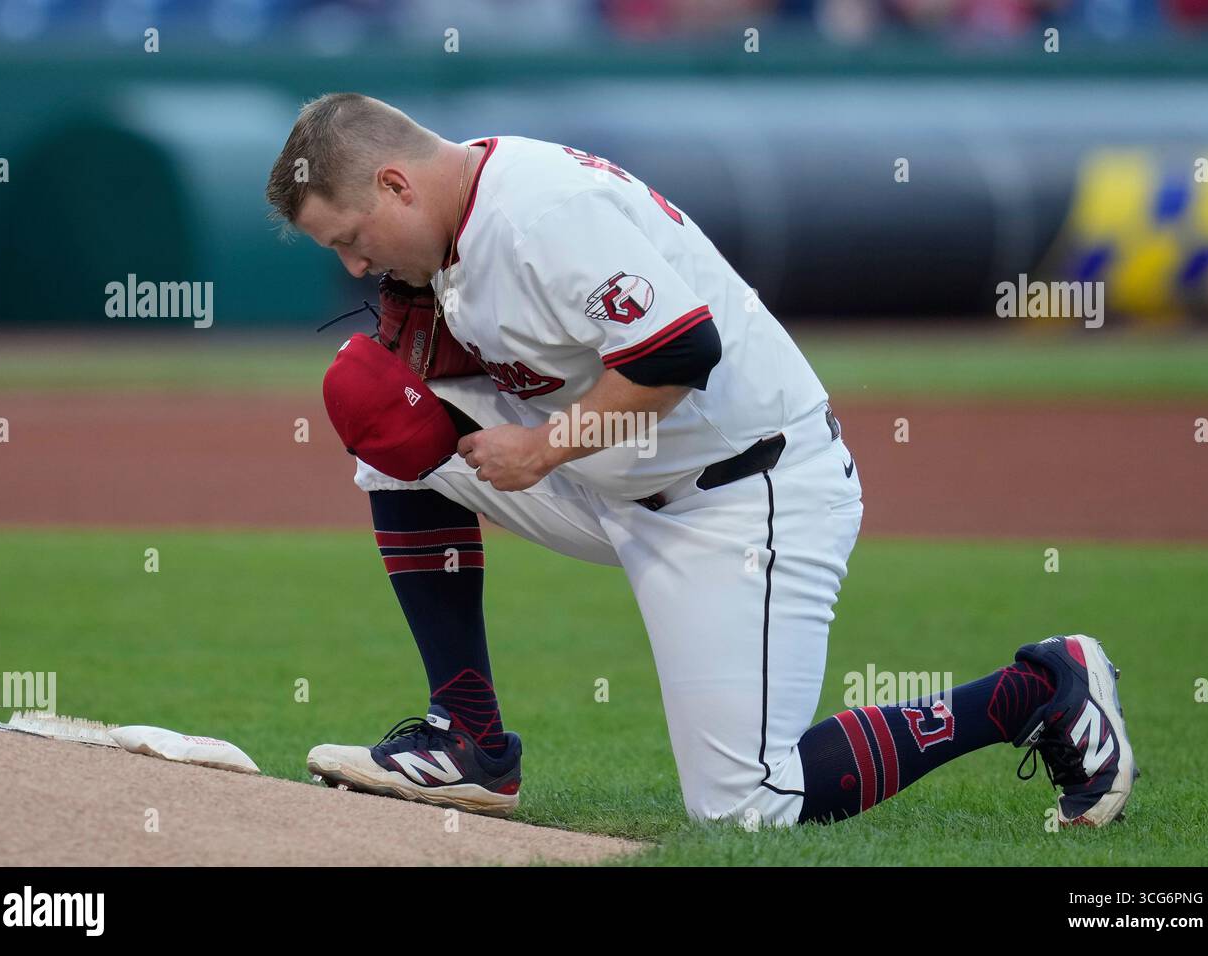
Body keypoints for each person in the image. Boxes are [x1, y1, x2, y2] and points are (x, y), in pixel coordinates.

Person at [265, 93, 1136, 827]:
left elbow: (680, 355)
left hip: (743, 494)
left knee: (750, 807)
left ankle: (1037, 689)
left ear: (395, 183)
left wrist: (540, 448)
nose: (352, 263)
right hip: (619, 477)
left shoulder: (538, 211)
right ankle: (469, 739)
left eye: (350, 236)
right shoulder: (455, 222)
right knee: (384, 424)